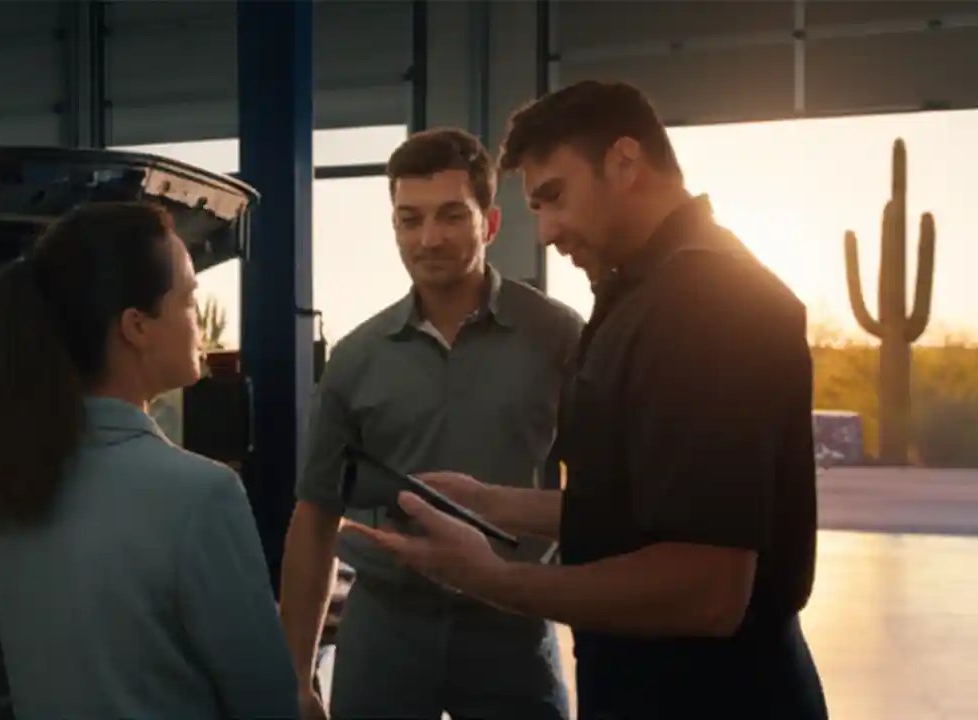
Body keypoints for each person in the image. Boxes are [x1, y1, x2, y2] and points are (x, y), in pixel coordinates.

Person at [349, 80, 829, 719]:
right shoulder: (640, 294)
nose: (545, 232)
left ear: (625, 164)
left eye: (555, 198)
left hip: (716, 696)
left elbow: (708, 587)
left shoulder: (710, 301)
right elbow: (648, 509)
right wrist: (497, 504)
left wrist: (494, 578)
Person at [279, 127, 584, 720]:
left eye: (451, 216)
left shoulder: (557, 336)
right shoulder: (356, 357)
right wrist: (296, 672)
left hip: (512, 625)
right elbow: (316, 514)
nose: (429, 238)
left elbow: (605, 497)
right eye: (408, 219)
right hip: (387, 626)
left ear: (489, 223)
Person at [0, 202, 298, 720]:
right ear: (136, 326)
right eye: (187, 300)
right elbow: (266, 702)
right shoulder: (202, 495)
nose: (198, 320)